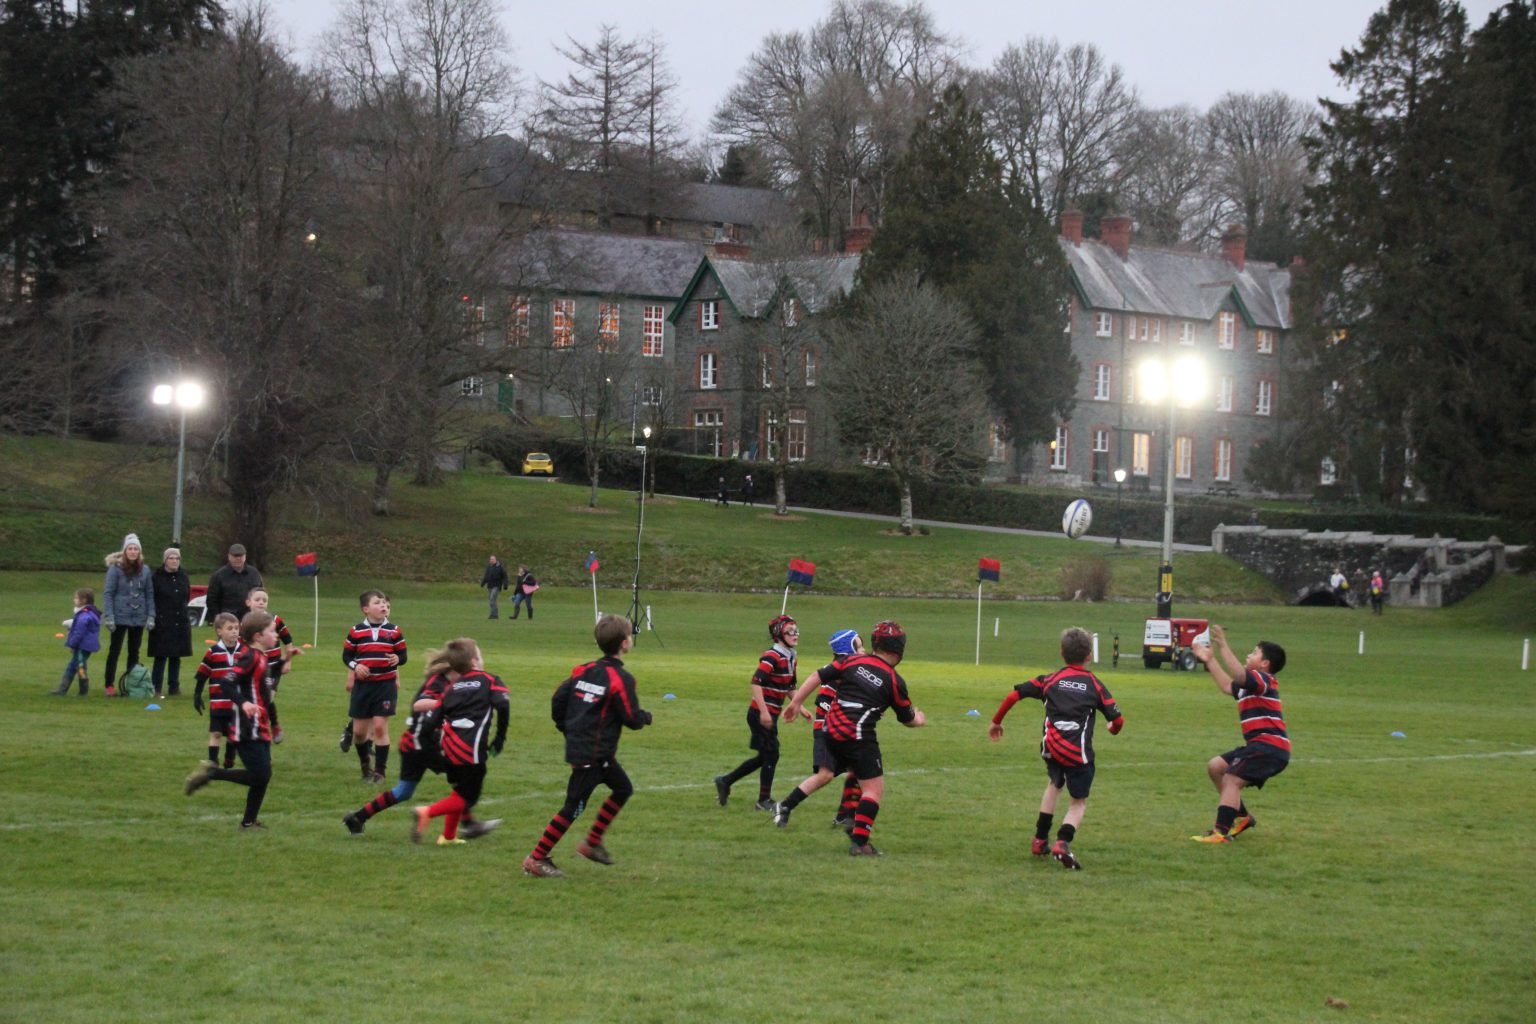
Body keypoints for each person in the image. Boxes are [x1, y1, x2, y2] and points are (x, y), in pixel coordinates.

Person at [523, 615, 652, 878]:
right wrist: (645, 717)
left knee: (623, 788)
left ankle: (592, 843)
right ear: (625, 643)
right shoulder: (621, 678)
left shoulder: (582, 670)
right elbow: (631, 718)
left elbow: (559, 698)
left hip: (592, 751)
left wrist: (566, 728)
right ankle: (536, 858)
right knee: (573, 807)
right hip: (592, 755)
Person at [987, 626, 1125, 870]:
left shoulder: (1049, 680)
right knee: (1078, 802)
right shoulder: (1094, 684)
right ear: (1089, 656)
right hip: (1077, 754)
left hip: (1051, 748)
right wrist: (1112, 730)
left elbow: (1014, 696)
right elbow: (1118, 720)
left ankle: (1040, 840)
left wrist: (997, 722)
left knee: (1055, 784)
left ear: (1062, 653)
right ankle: (1063, 841)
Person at [342, 638, 500, 840]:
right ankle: (464, 825)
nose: (481, 661)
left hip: (417, 745)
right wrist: (443, 703)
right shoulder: (439, 681)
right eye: (478, 657)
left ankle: (357, 818)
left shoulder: (461, 683)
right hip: (422, 745)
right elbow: (420, 703)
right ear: (469, 661)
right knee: (465, 779)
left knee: (404, 791)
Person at [816, 620, 926, 856]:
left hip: (831, 732)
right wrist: (919, 718)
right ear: (899, 648)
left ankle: (848, 822)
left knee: (853, 778)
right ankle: (860, 841)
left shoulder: (854, 661)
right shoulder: (894, 680)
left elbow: (818, 676)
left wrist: (795, 703)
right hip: (859, 736)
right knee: (873, 790)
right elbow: (907, 718)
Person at [1189, 624, 1289, 843]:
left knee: (1232, 779)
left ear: (1265, 664)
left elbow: (1238, 674)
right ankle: (1242, 818)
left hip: (1270, 748)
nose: (1249, 654)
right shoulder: (1249, 686)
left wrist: (1224, 646)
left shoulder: (1264, 681)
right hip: (1258, 746)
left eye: (1254, 653)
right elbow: (1227, 685)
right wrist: (1210, 659)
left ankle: (1220, 833)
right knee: (1216, 767)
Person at [184, 610, 278, 830]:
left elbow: (264, 696)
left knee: (264, 775)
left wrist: (275, 722)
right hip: (247, 726)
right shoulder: (250, 657)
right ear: (258, 636)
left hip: (259, 725)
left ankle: (248, 822)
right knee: (260, 775)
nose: (276, 635)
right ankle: (212, 773)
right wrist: (244, 703)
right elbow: (227, 682)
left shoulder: (261, 657)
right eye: (272, 631)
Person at [410, 642, 509, 846]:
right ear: (474, 661)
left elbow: (431, 722)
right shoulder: (490, 680)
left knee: (459, 791)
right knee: (467, 798)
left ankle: (448, 836)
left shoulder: (451, 687)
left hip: (448, 750)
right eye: (480, 655)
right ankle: (426, 812)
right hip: (470, 750)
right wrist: (500, 737)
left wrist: (432, 752)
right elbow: (503, 704)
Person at [775, 628, 865, 830]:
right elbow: (823, 699)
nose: (863, 650)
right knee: (825, 775)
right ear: (847, 648)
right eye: (858, 646)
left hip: (842, 731)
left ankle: (845, 816)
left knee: (859, 769)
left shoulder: (850, 670)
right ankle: (785, 805)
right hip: (827, 732)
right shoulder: (836, 672)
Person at [713, 615, 798, 812]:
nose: (795, 635)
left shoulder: (791, 656)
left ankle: (725, 781)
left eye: (796, 630)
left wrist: (798, 706)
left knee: (765, 756)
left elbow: (790, 686)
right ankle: (764, 800)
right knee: (772, 753)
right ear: (778, 635)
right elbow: (756, 682)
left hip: (770, 713)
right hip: (760, 714)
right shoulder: (772, 656)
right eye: (790, 631)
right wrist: (764, 712)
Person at [341, 590, 407, 783]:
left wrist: (397, 659)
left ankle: (380, 772)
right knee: (359, 733)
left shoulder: (394, 631)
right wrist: (356, 666)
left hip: (385, 685)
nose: (383, 606)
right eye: (378, 603)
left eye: (385, 603)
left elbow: (403, 656)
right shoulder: (356, 631)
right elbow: (346, 656)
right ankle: (365, 766)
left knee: (379, 727)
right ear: (366, 609)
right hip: (363, 687)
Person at [101, 533, 153, 696]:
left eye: (135, 549)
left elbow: (149, 593)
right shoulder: (115, 569)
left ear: (139, 552)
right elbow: (108, 593)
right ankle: (109, 684)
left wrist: (151, 615)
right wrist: (109, 615)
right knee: (114, 650)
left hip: (138, 617)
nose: (132, 551)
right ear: (125, 551)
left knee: (134, 651)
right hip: (120, 615)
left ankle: (132, 684)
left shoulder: (145, 570)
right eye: (130, 548)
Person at [245, 589, 297, 743]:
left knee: (268, 698)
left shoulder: (275, 620)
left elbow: (287, 640)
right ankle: (257, 728)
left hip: (272, 668)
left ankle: (273, 726)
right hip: (253, 667)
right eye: (257, 599)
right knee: (254, 699)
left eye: (264, 600)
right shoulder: (246, 622)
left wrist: (288, 661)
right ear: (249, 602)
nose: (261, 602)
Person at [193, 612, 244, 769]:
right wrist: (197, 695)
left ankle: (229, 759)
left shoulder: (244, 651)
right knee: (216, 733)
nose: (234, 631)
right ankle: (213, 763)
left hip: (236, 704)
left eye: (236, 628)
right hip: (218, 703)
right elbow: (202, 674)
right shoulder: (213, 652)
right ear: (219, 631)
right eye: (230, 628)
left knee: (232, 735)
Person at [148, 547, 192, 699]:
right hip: (161, 621)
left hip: (180, 620)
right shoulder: (156, 577)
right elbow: (152, 597)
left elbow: (187, 596)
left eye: (177, 558)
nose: (174, 561)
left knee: (176, 655)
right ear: (165, 560)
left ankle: (174, 686)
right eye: (171, 558)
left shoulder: (183, 576)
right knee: (160, 655)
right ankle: (156, 686)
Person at [53, 587, 101, 696]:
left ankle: (82, 691)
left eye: (76, 598)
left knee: (80, 668)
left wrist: (72, 644)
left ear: (83, 600)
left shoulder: (84, 615)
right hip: (85, 646)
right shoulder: (90, 613)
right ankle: (62, 689)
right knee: (73, 667)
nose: (74, 600)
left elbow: (79, 632)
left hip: (82, 647)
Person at [205, 543, 263, 620]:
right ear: (229, 556)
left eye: (241, 556)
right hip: (227, 619)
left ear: (245, 556)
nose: (238, 558)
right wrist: (217, 618)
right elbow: (212, 600)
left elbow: (261, 593)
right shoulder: (219, 576)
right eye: (235, 556)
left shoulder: (254, 573)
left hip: (251, 618)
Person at [481, 555, 509, 619]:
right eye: (490, 559)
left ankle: (495, 615)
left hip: (497, 586)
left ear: (496, 560)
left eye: (493, 559)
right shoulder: (489, 567)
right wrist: (483, 583)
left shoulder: (500, 567)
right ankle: (493, 614)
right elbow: (486, 575)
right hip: (490, 586)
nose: (491, 560)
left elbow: (505, 576)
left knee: (492, 598)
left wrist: (505, 584)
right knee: (491, 601)